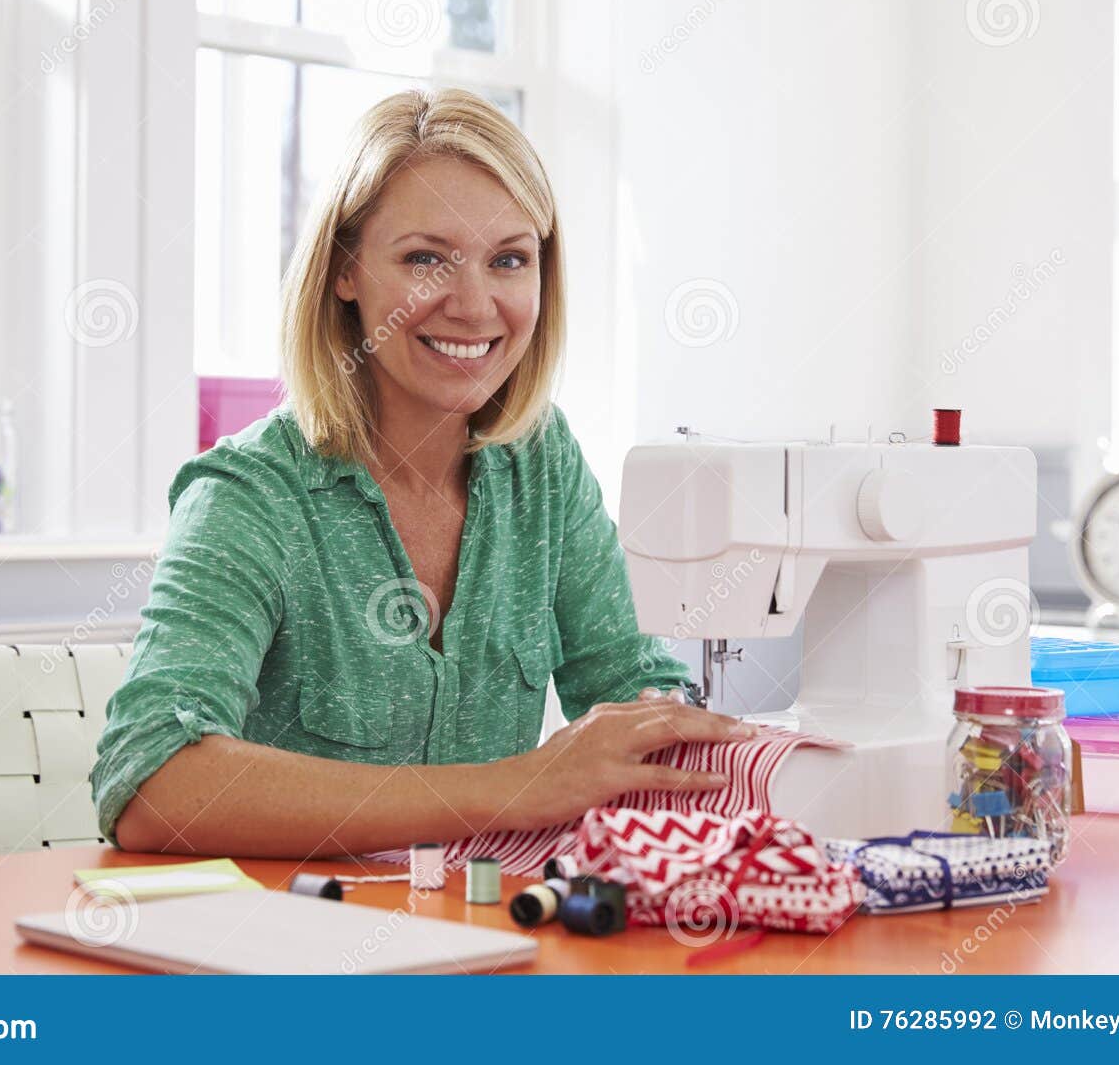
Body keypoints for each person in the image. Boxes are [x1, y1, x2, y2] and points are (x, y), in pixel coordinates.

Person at [91, 88, 754, 858]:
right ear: (346, 271)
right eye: (425, 259)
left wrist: (691, 728)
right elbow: (149, 781)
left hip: (477, 946)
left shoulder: (540, 466)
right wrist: (522, 784)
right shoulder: (248, 498)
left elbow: (624, 678)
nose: (474, 305)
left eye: (509, 259)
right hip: (285, 954)